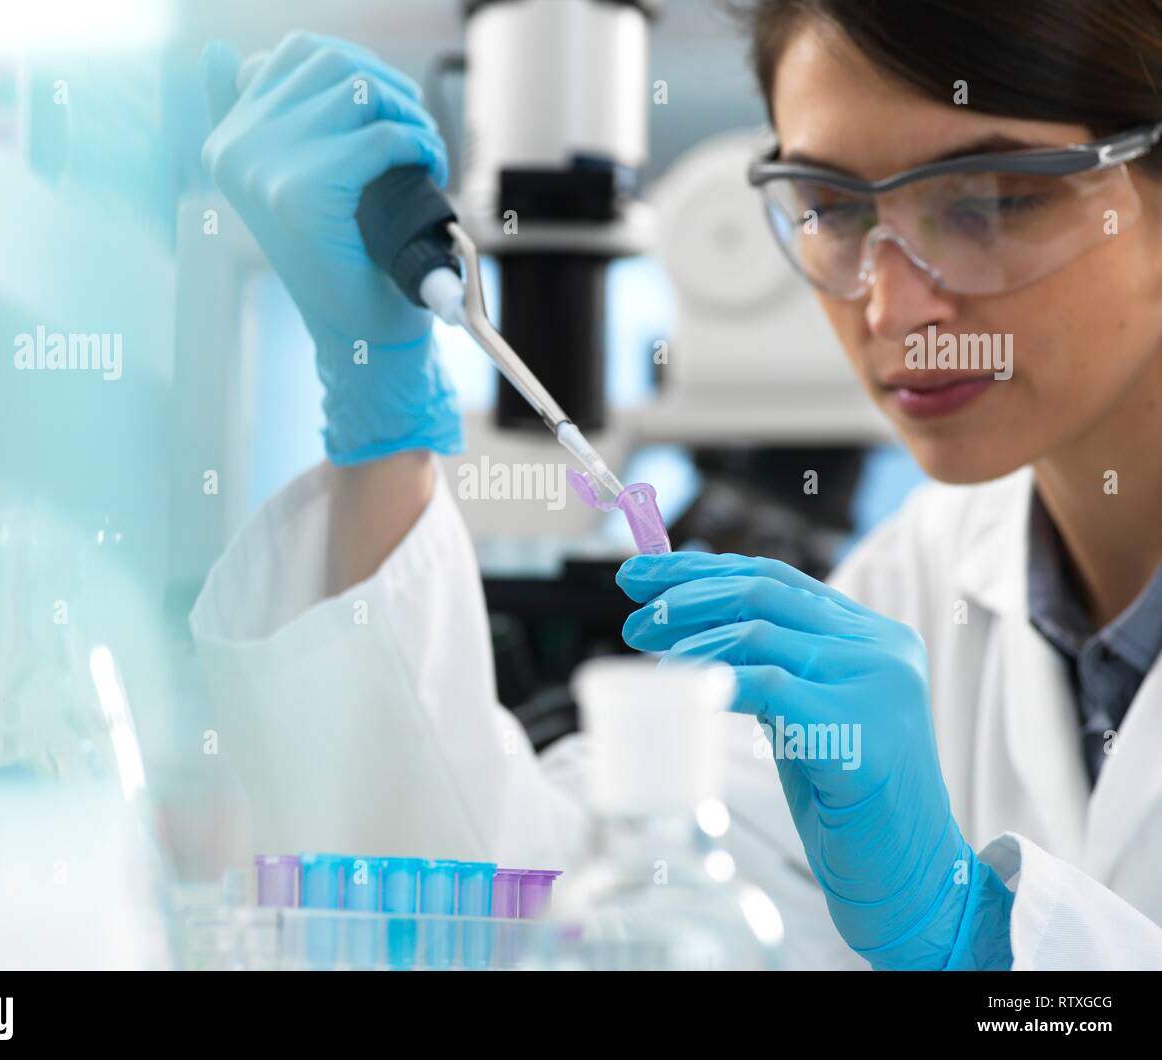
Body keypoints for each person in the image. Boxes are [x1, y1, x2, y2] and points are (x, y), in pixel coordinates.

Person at [189, 0, 1162, 969]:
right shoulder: (914, 585)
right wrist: (380, 408)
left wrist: (976, 935)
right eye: (831, 207)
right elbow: (527, 910)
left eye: (987, 200)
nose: (891, 302)